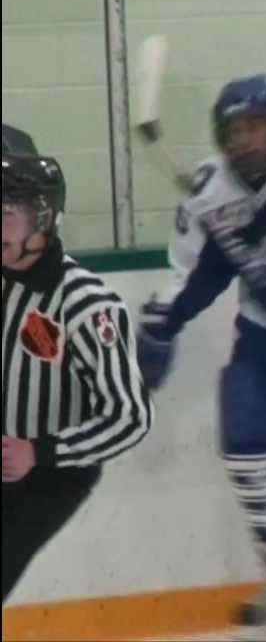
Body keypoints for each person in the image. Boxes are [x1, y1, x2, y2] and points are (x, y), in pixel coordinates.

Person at [135, 74, 266, 625]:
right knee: (246, 448)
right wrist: (163, 321)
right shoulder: (212, 192)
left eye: (255, 128)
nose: (244, 141)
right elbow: (192, 271)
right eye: (233, 131)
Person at [2, 151, 154, 602]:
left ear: (44, 220)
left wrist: (41, 451)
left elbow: (130, 416)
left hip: (50, 475)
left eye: (7, 214)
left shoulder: (87, 305)